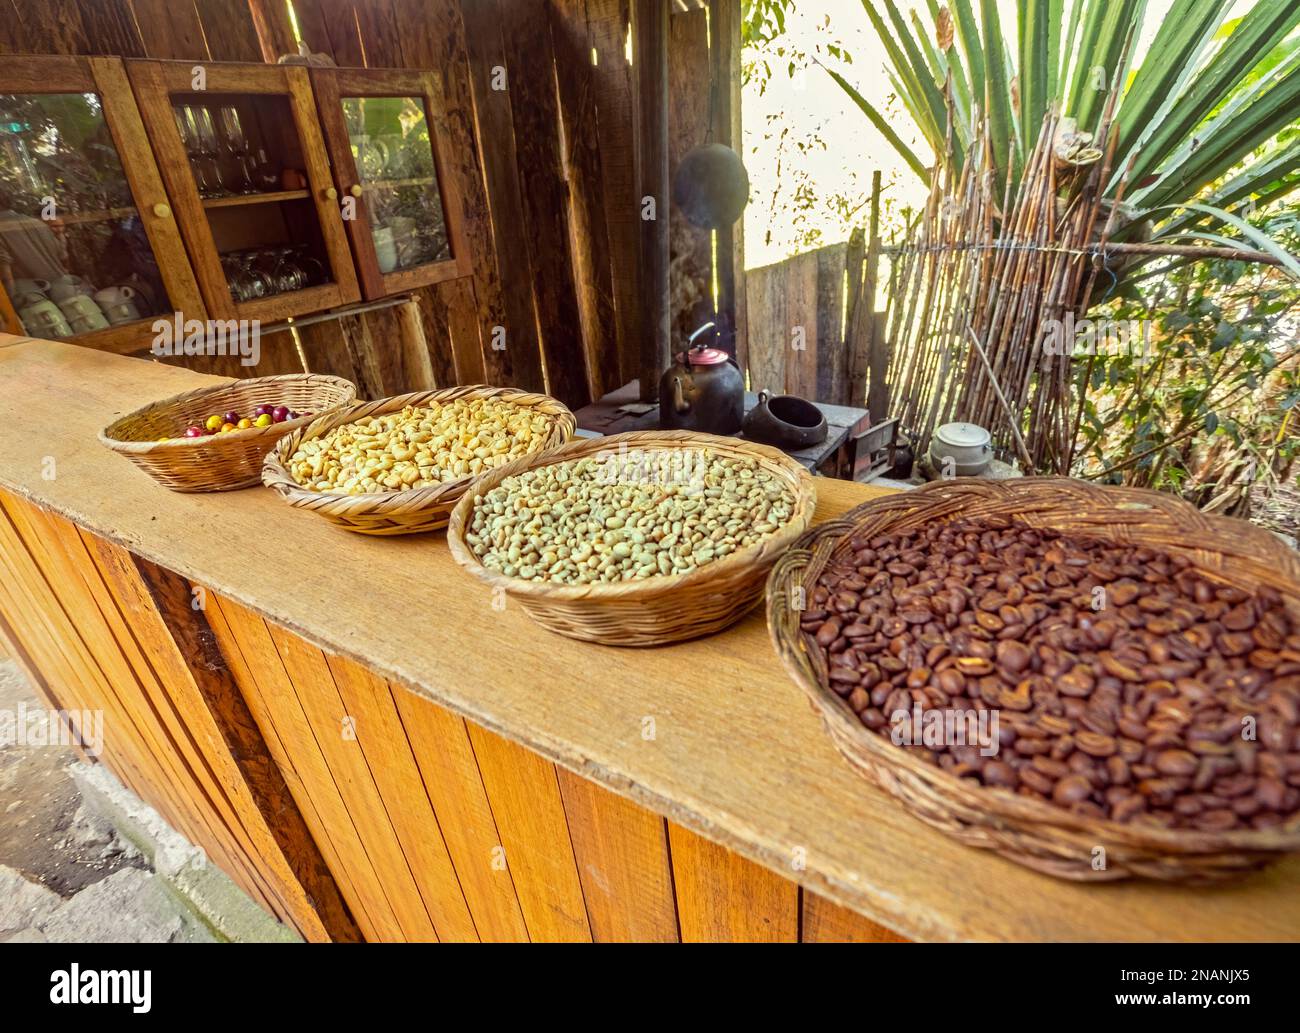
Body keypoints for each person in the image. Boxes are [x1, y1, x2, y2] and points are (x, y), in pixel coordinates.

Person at [0, 187, 70, 298]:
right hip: (64, 290)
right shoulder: (36, 223)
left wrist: (12, 301)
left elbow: (6, 276)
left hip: (34, 300)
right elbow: (62, 256)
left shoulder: (4, 229)